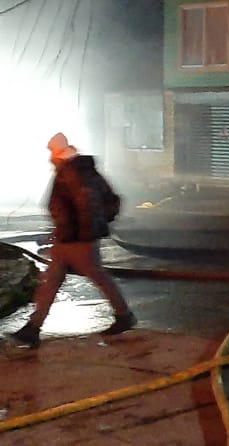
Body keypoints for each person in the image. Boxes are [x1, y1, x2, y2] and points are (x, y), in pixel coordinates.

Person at [5, 133, 134, 348]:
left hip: (76, 241)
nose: (50, 157)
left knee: (97, 277)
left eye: (51, 153)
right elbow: (108, 200)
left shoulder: (71, 172)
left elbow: (85, 204)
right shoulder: (80, 170)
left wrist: (80, 232)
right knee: (53, 281)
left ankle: (124, 316)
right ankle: (33, 328)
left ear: (57, 152)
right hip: (71, 238)